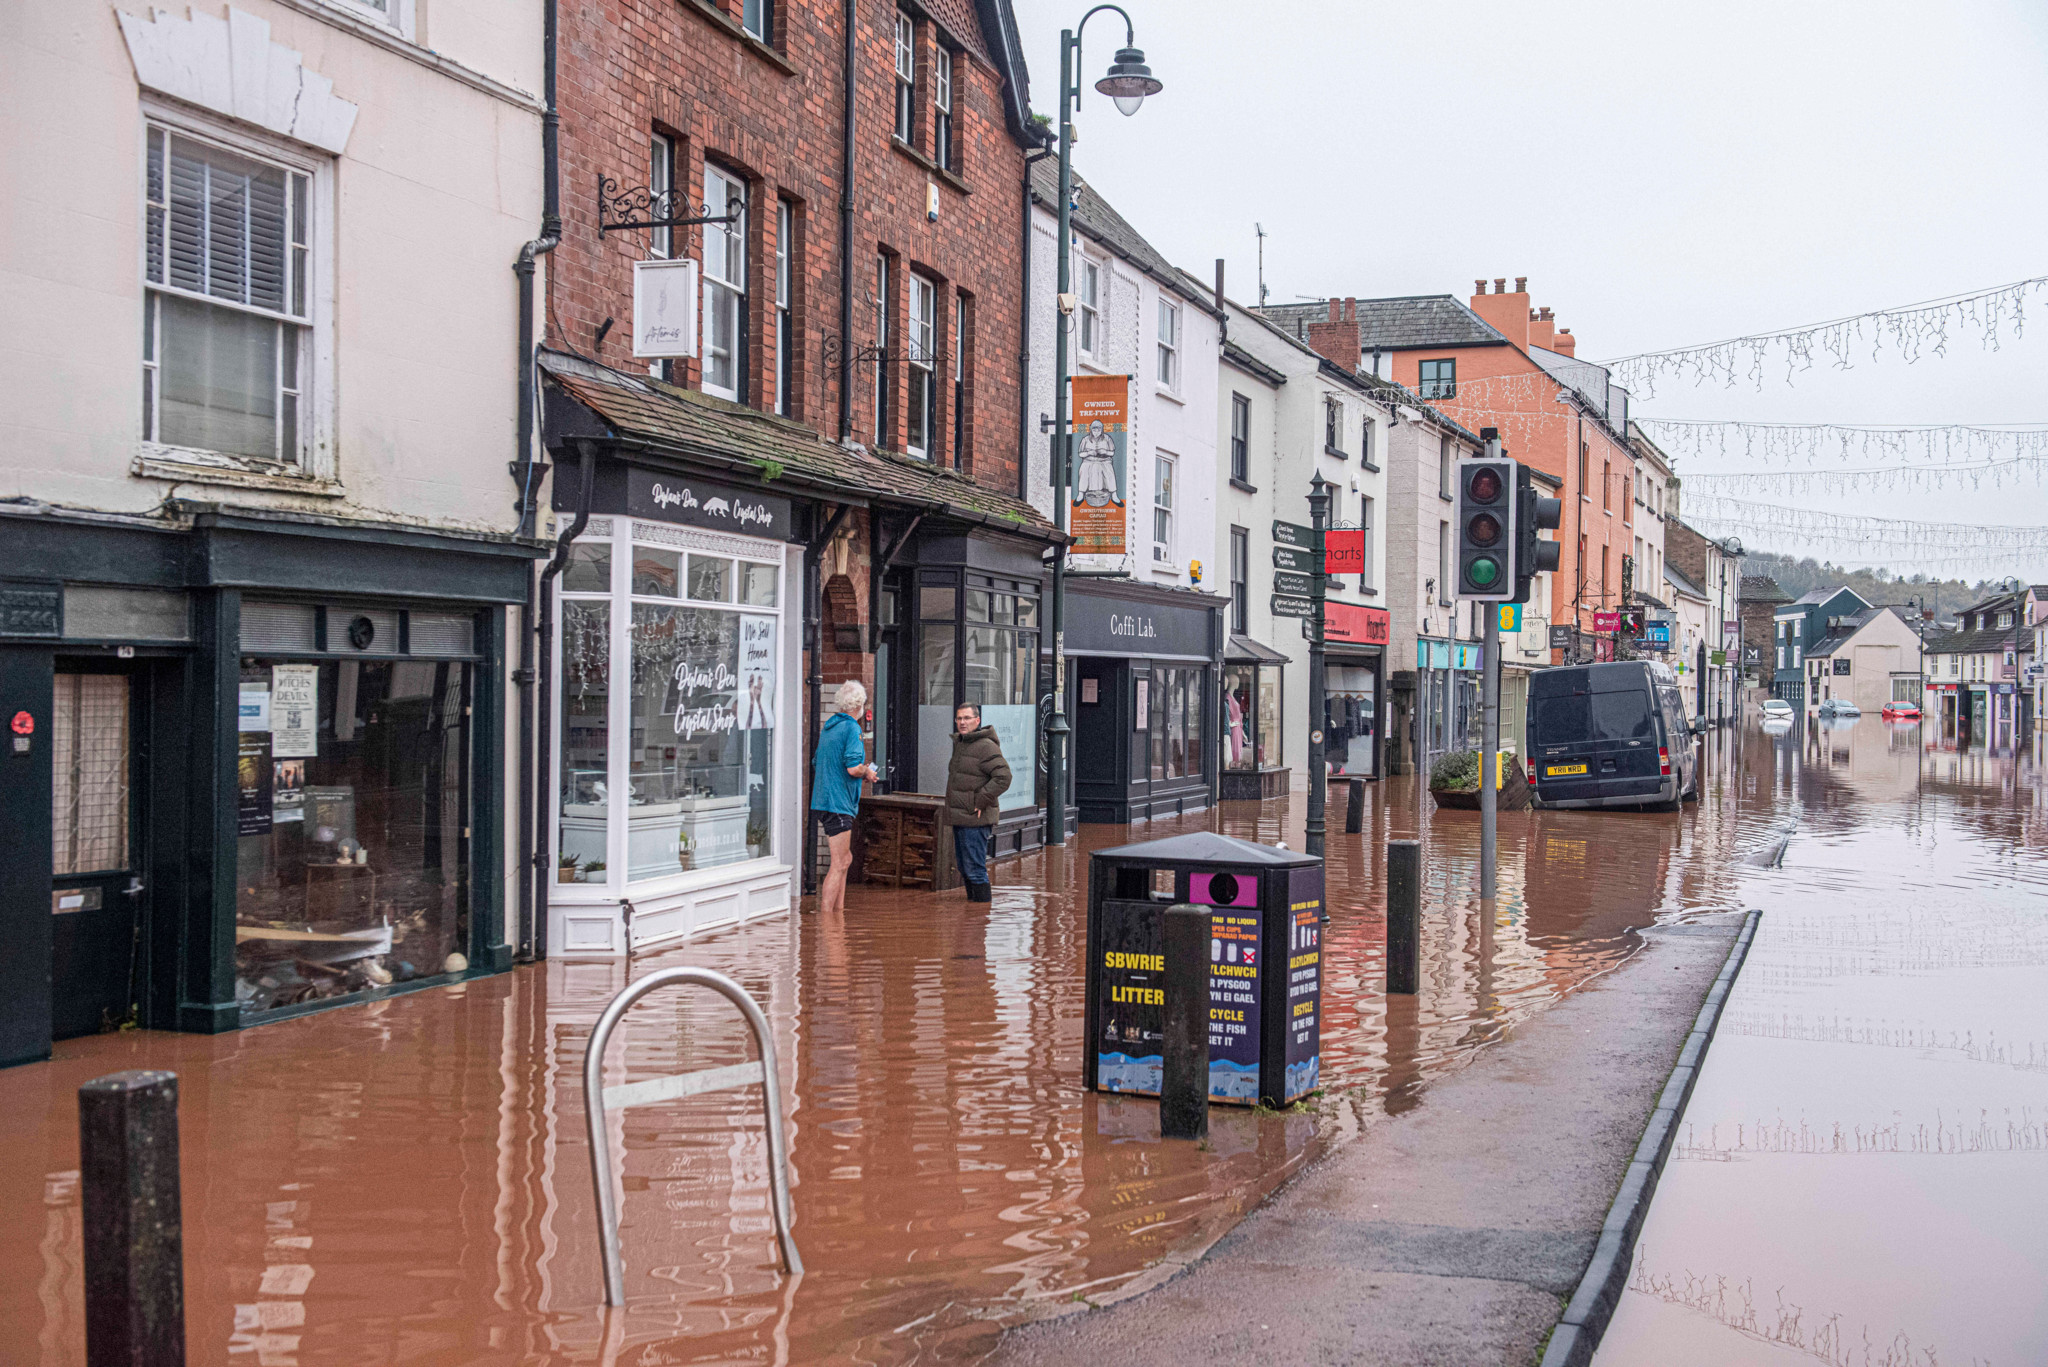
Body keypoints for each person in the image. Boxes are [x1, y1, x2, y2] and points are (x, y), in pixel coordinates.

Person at [811, 680, 877, 915]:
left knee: (845, 859)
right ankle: (826, 918)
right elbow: (852, 768)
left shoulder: (830, 727)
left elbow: (817, 762)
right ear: (859, 705)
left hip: (823, 800)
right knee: (839, 863)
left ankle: (838, 913)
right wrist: (867, 771)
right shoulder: (852, 729)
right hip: (838, 803)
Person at [945, 703, 1011, 904]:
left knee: (975, 870)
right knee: (965, 868)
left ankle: (981, 919)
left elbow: (1004, 777)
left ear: (977, 720)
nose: (962, 723)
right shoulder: (963, 744)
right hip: (961, 816)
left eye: (966, 718)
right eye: (959, 719)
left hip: (975, 818)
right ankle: (973, 920)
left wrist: (980, 800)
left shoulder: (985, 746)